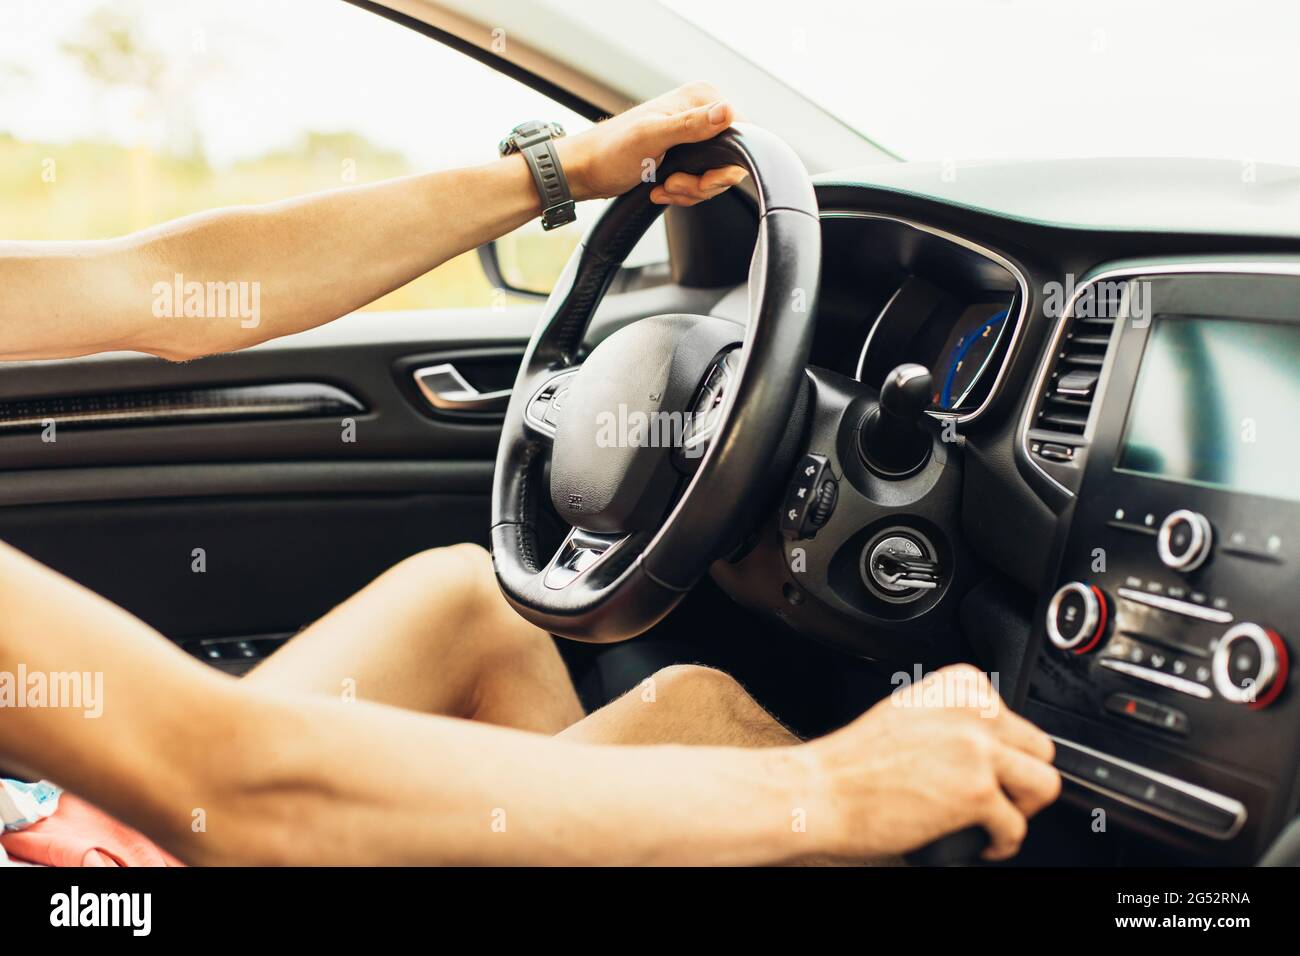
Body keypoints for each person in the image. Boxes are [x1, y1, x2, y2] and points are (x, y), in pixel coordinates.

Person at [0, 84, 1060, 865]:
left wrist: (559, 173)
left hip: (46, 818)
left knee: (469, 602)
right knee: (680, 720)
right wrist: (831, 787)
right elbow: (233, 784)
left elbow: (172, 285)